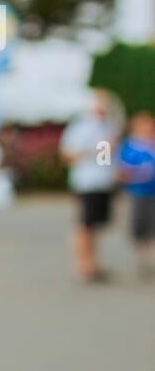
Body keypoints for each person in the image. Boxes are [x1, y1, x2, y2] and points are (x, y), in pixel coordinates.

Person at [59, 91, 120, 282]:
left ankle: (93, 263)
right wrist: (89, 153)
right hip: (87, 181)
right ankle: (83, 265)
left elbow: (109, 156)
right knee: (85, 224)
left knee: (95, 226)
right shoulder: (81, 126)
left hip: (103, 181)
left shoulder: (108, 126)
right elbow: (66, 156)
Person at [118, 110, 155, 278]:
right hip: (138, 192)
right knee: (139, 224)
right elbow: (120, 169)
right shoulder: (129, 146)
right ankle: (141, 259)